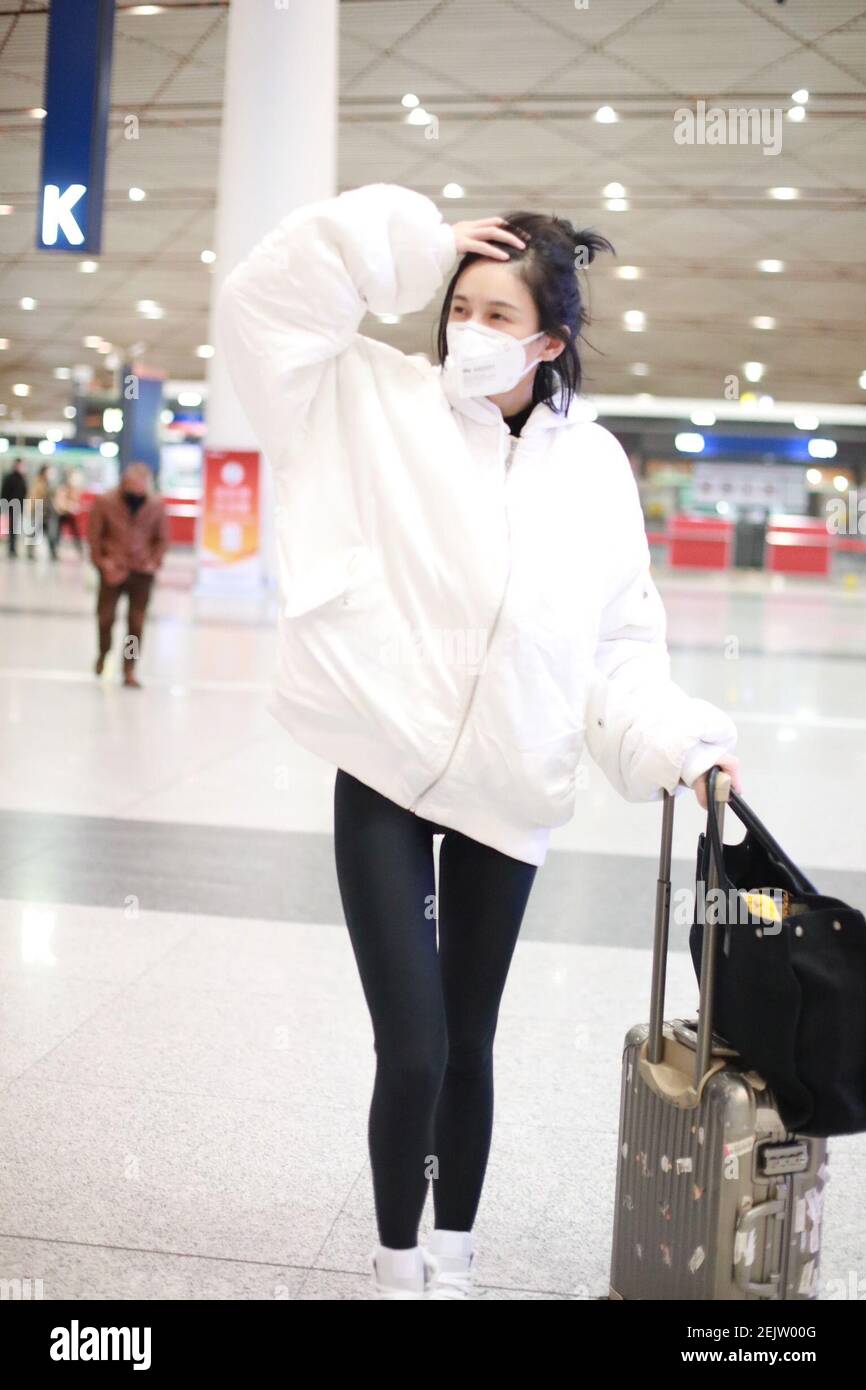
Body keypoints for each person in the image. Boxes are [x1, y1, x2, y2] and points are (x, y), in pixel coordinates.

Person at [217, 184, 742, 1300]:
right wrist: (407, 243)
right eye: (461, 304)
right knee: (409, 1046)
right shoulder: (373, 401)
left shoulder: (593, 473)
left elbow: (615, 648)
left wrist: (679, 744)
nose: (469, 328)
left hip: (510, 786)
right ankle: (394, 1263)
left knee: (467, 1042)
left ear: (549, 343)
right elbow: (259, 309)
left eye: (500, 316)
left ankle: (454, 1256)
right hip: (387, 770)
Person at [87, 462, 168, 688]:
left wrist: (153, 562)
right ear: (124, 483)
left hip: (142, 574)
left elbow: (162, 539)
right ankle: (104, 653)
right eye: (133, 487)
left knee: (136, 624)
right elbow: (94, 537)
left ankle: (129, 668)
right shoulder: (105, 502)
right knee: (105, 618)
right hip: (112, 571)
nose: (137, 492)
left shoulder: (156, 506)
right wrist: (102, 563)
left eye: (142, 487)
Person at [27, 462, 58, 560]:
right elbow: (34, 496)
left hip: (47, 512)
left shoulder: (48, 483)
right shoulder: (38, 482)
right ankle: (30, 552)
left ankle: (53, 552)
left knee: (50, 533)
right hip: (39, 511)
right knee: (35, 533)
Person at [1, 456, 27, 557]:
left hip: (18, 507)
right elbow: (4, 493)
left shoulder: (22, 478)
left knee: (15, 529)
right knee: (10, 529)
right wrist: (4, 508)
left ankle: (13, 548)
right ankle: (11, 549)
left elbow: (24, 493)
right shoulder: (9, 478)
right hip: (10, 506)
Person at [54, 471, 84, 554]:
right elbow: (60, 503)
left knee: (75, 531)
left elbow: (76, 500)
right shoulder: (62, 489)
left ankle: (79, 549)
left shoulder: (72, 490)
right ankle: (54, 550)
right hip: (62, 513)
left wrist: (74, 506)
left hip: (69, 514)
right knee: (57, 532)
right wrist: (67, 507)